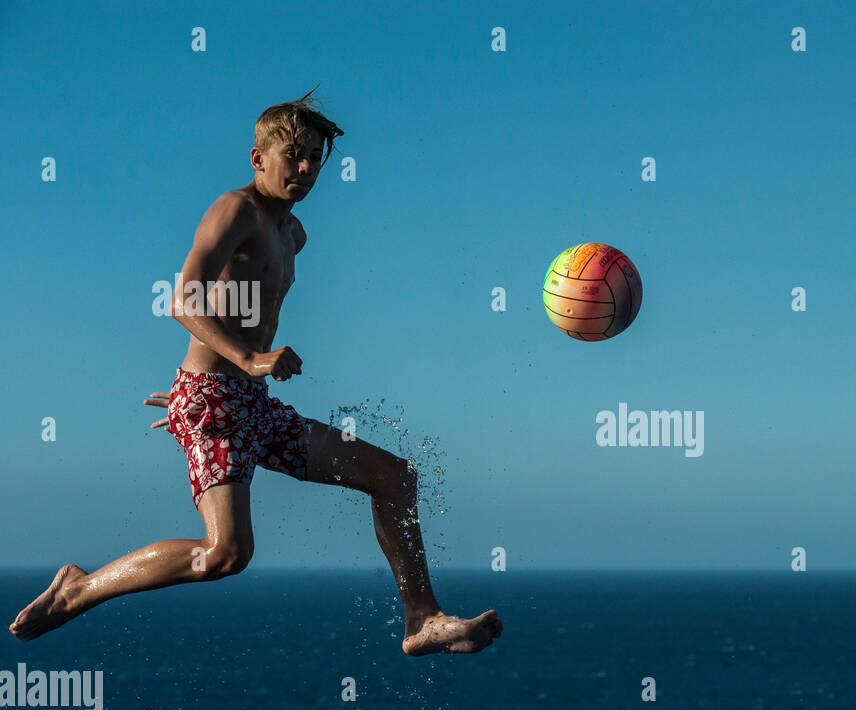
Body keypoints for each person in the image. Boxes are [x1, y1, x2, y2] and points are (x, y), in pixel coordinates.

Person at [9, 92, 502, 656]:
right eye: (293, 155)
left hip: (252, 403)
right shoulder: (235, 210)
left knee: (395, 477)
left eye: (316, 157)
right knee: (226, 554)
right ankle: (79, 588)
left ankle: (423, 618)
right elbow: (184, 298)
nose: (306, 168)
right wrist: (233, 368)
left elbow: (241, 308)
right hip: (217, 398)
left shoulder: (294, 236)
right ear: (257, 158)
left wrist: (238, 376)